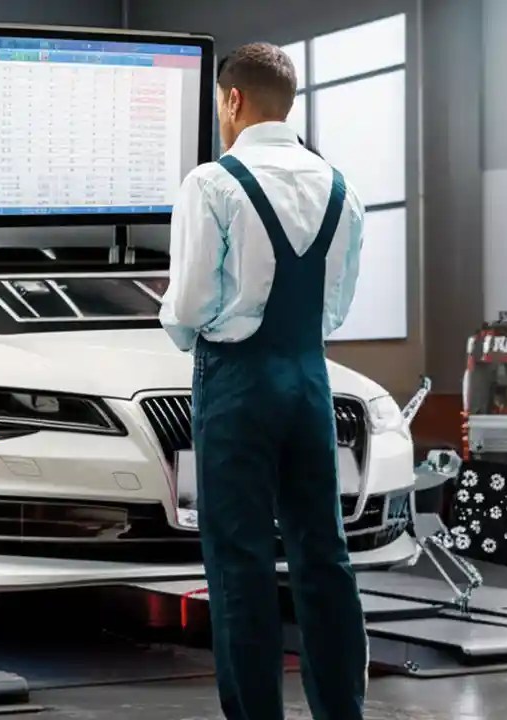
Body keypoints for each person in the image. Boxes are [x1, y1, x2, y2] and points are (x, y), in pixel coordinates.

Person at [159, 43, 368, 720]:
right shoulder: (342, 189)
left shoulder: (211, 184)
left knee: (239, 562)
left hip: (236, 385)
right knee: (324, 556)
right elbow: (335, 309)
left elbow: (190, 305)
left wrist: (183, 330)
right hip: (310, 380)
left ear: (232, 100)